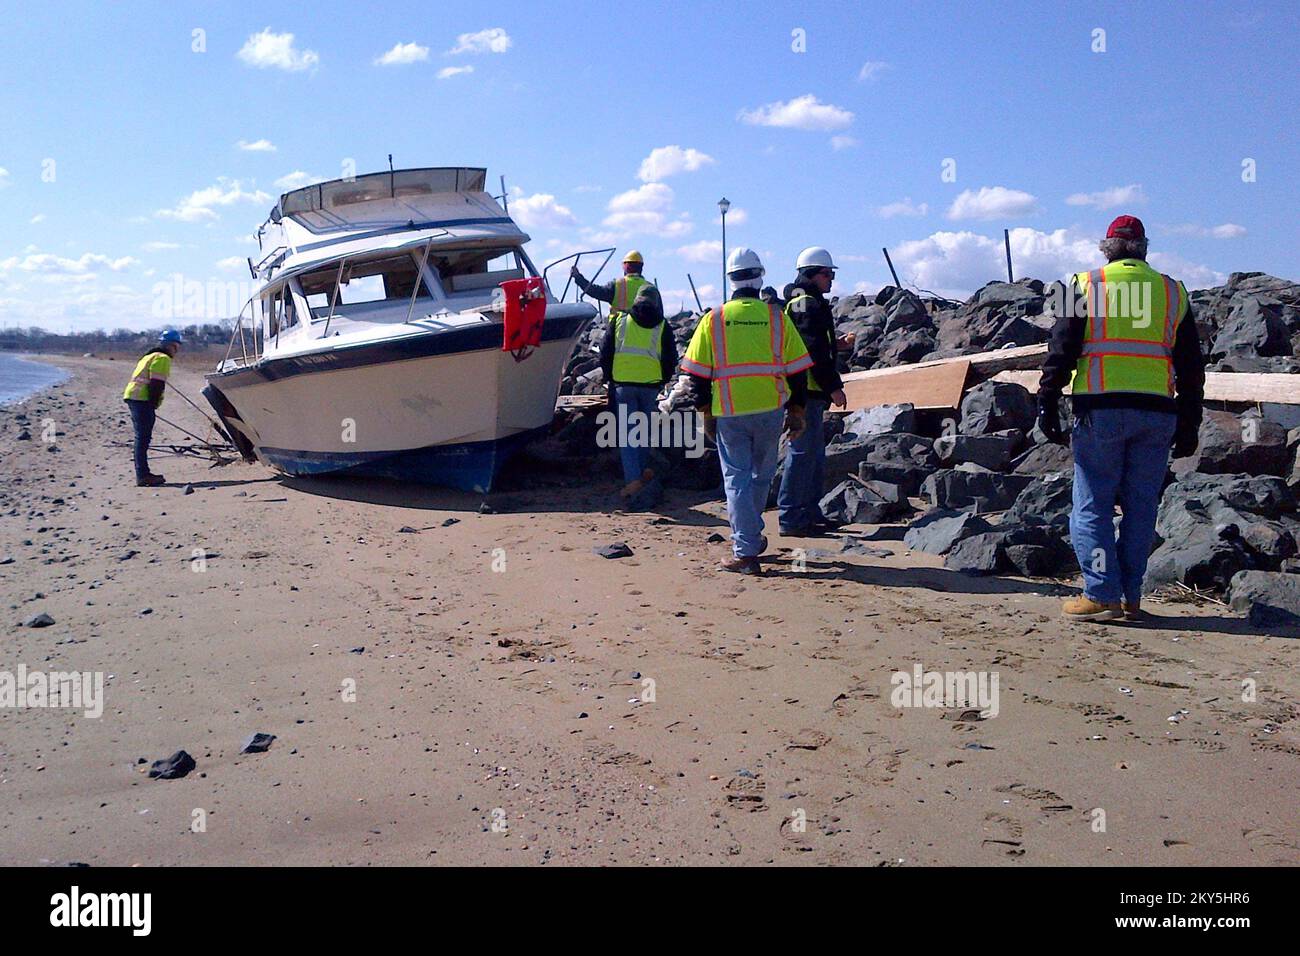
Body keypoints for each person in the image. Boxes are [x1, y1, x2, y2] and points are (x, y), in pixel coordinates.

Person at [1037, 215, 1206, 621]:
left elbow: (1060, 349)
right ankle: (1131, 597)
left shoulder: (1076, 285)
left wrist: (1046, 401)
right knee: (1141, 506)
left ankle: (1101, 593)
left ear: (1106, 246)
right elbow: (1191, 365)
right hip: (1157, 412)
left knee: (1092, 505)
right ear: (1143, 247)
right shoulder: (1174, 292)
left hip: (1100, 410)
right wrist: (1191, 421)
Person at [681, 248, 813, 574]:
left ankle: (746, 551)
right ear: (760, 277)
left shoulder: (713, 319)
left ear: (730, 279)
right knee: (761, 477)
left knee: (736, 480)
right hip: (770, 410)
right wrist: (796, 409)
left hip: (729, 411)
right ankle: (751, 537)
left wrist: (704, 411)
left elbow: (696, 374)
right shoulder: (776, 318)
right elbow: (798, 371)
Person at [777, 247, 853, 535]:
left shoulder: (800, 302)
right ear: (813, 274)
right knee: (802, 453)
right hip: (807, 390)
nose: (831, 279)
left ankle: (807, 512)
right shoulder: (808, 304)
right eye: (827, 273)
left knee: (811, 454)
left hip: (805, 389)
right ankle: (793, 517)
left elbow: (809, 344)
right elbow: (812, 350)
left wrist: (839, 345)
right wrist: (833, 386)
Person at [598, 283, 678, 498]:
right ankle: (641, 473)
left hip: (623, 384)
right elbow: (671, 358)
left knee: (627, 434)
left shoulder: (620, 321)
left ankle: (633, 480)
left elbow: (606, 352)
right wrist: (663, 380)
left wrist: (608, 378)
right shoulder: (662, 325)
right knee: (643, 432)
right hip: (650, 385)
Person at [123, 329, 183, 487]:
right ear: (172, 345)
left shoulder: (149, 356)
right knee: (142, 438)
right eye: (177, 346)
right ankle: (143, 475)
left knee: (141, 437)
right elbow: (156, 384)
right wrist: (154, 403)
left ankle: (143, 473)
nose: (177, 350)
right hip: (142, 399)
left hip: (133, 396)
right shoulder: (163, 358)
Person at [571, 251, 649, 320]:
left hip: (619, 333)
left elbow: (595, 291)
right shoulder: (650, 288)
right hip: (644, 335)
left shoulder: (618, 285)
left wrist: (578, 277)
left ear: (625, 267)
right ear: (641, 267)